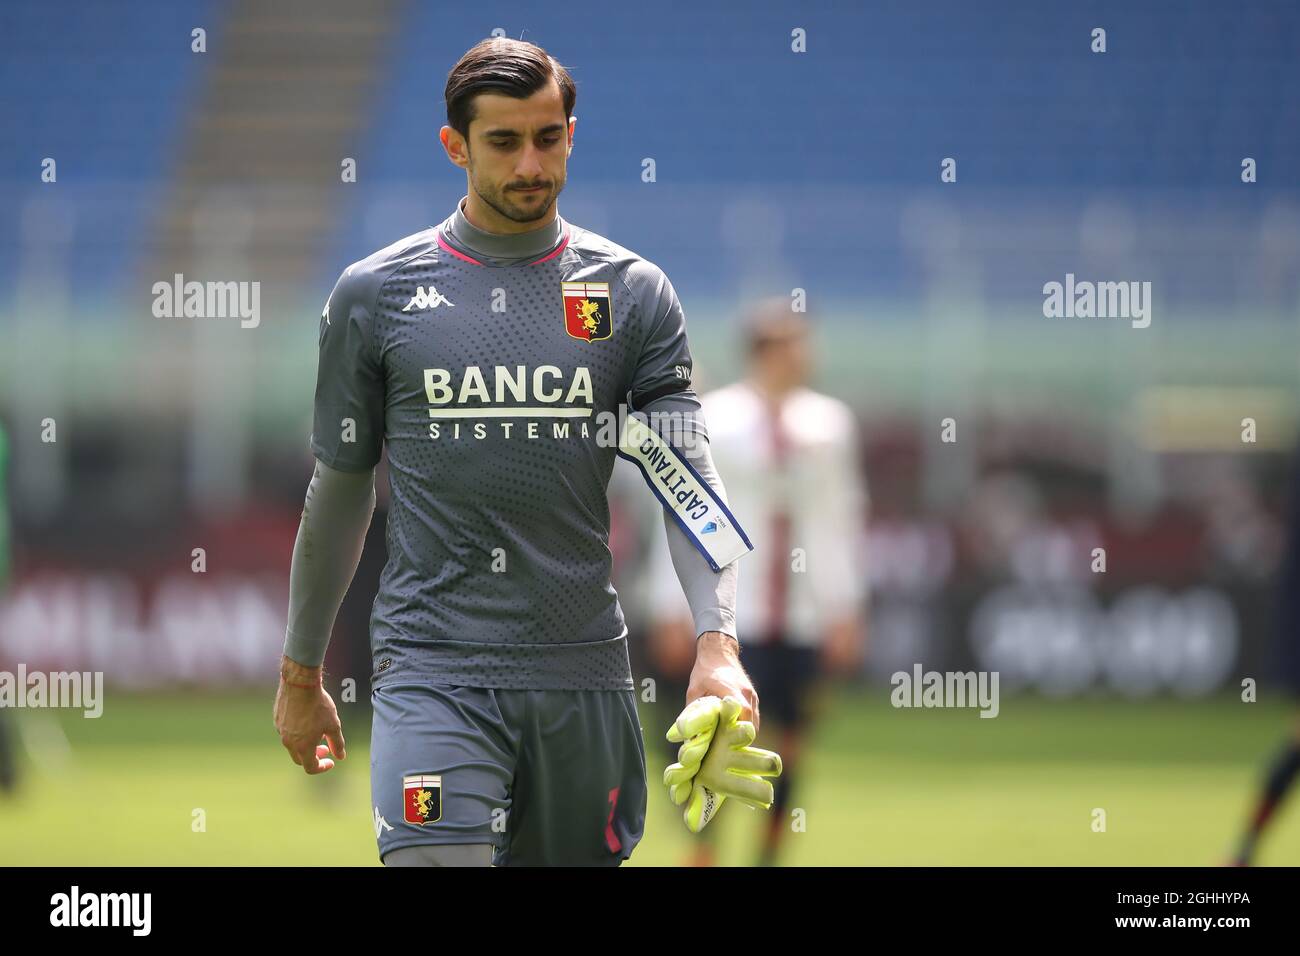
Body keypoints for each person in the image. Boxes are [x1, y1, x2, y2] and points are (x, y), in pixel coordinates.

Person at [272, 37, 763, 866]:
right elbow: (342, 488)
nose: (531, 162)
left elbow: (686, 478)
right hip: (433, 670)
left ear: (572, 132)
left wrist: (717, 647)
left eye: (550, 136)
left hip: (584, 677)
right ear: (454, 146)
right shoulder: (376, 294)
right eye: (504, 142)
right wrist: (299, 671)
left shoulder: (632, 293)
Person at [648, 299, 867, 865]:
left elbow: (840, 518)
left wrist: (845, 606)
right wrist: (673, 605)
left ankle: (768, 856)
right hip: (728, 615)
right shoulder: (714, 419)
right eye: (795, 342)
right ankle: (704, 853)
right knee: (713, 745)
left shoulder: (829, 424)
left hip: (799, 613)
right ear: (765, 350)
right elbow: (680, 511)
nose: (806, 355)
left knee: (788, 745)